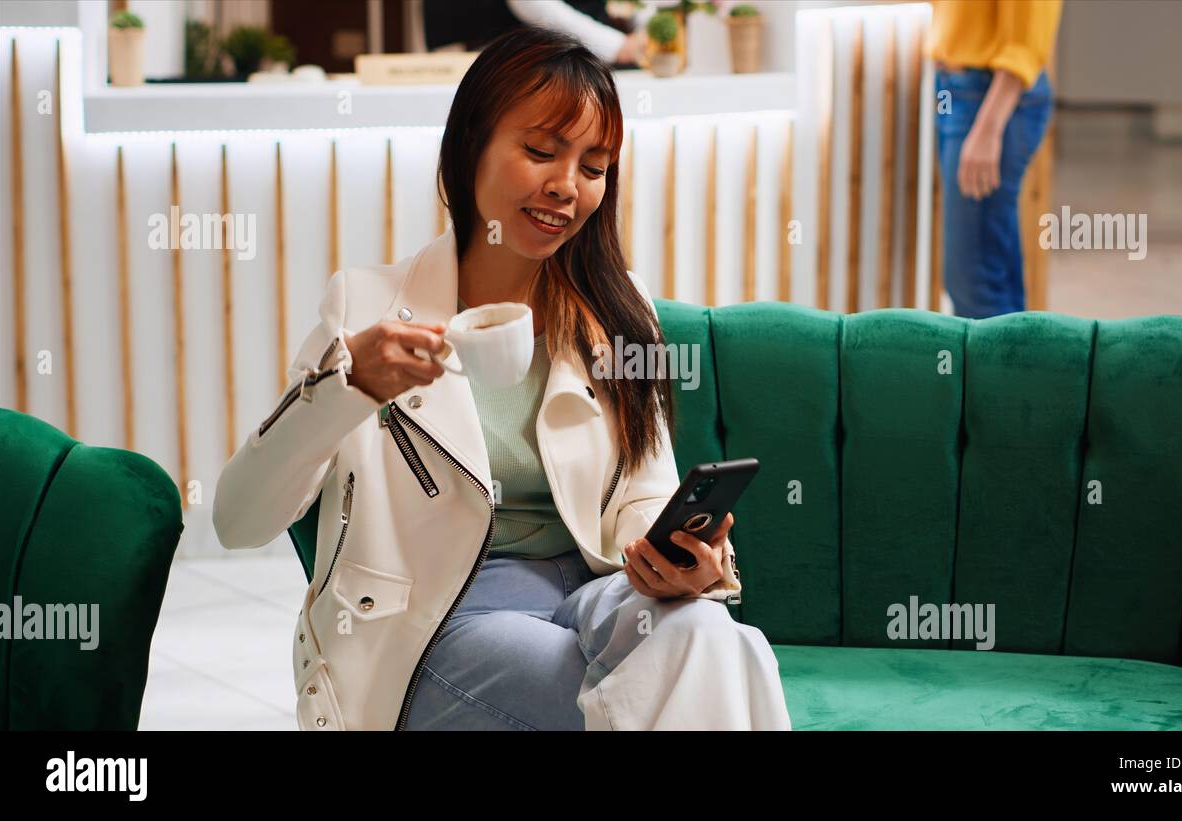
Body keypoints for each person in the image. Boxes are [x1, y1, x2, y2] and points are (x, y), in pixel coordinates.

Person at [212, 26, 792, 731]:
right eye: (541, 151)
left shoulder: (616, 310)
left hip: (596, 591)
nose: (566, 187)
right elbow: (238, 520)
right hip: (439, 622)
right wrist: (348, 383)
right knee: (653, 682)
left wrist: (688, 565)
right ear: (471, 144)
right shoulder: (365, 307)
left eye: (594, 165)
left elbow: (645, 492)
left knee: (711, 637)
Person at [928, 0, 1064, 318]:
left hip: (989, 97)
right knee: (989, 268)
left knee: (974, 283)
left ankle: (1002, 367)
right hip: (958, 90)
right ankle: (1020, 364)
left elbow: (1029, 30)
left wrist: (988, 128)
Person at [423, 0, 648, 69]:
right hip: (500, 59)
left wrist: (649, 30)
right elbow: (533, 5)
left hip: (582, 60)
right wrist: (617, 46)